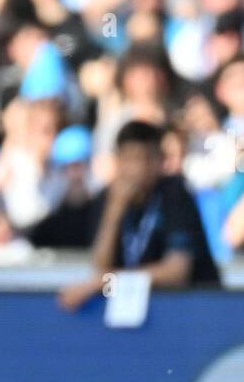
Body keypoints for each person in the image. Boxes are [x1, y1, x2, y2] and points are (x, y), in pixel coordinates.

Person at [59, 120, 219, 311]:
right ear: (117, 161)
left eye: (147, 158)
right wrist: (114, 211)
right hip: (135, 310)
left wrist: (104, 283)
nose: (139, 169)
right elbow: (100, 266)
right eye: (130, 158)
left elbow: (176, 272)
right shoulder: (107, 198)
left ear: (161, 160)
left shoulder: (175, 194)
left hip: (191, 308)